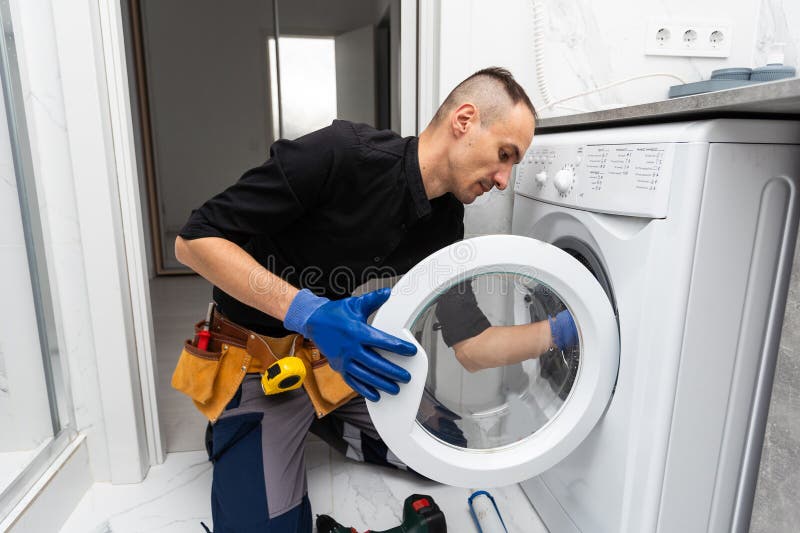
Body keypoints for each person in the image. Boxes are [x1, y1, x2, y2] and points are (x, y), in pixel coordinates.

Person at [174, 67, 576, 533]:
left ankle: (318, 418)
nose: (505, 179)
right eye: (505, 155)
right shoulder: (339, 154)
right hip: (257, 362)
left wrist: (569, 328)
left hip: (331, 357)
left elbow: (472, 346)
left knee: (445, 448)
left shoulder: (444, 223)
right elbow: (192, 241)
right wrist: (308, 312)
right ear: (464, 120)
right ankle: (243, 427)